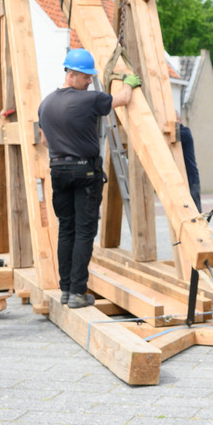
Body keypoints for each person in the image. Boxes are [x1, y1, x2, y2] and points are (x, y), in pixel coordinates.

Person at [36, 48, 135, 308]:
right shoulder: (89, 99)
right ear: (72, 74)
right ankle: (79, 292)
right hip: (85, 172)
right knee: (84, 231)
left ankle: (66, 290)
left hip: (58, 170)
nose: (89, 81)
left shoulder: (45, 103)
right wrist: (128, 82)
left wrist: (65, 149)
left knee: (66, 230)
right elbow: (123, 99)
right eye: (86, 77)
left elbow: (44, 140)